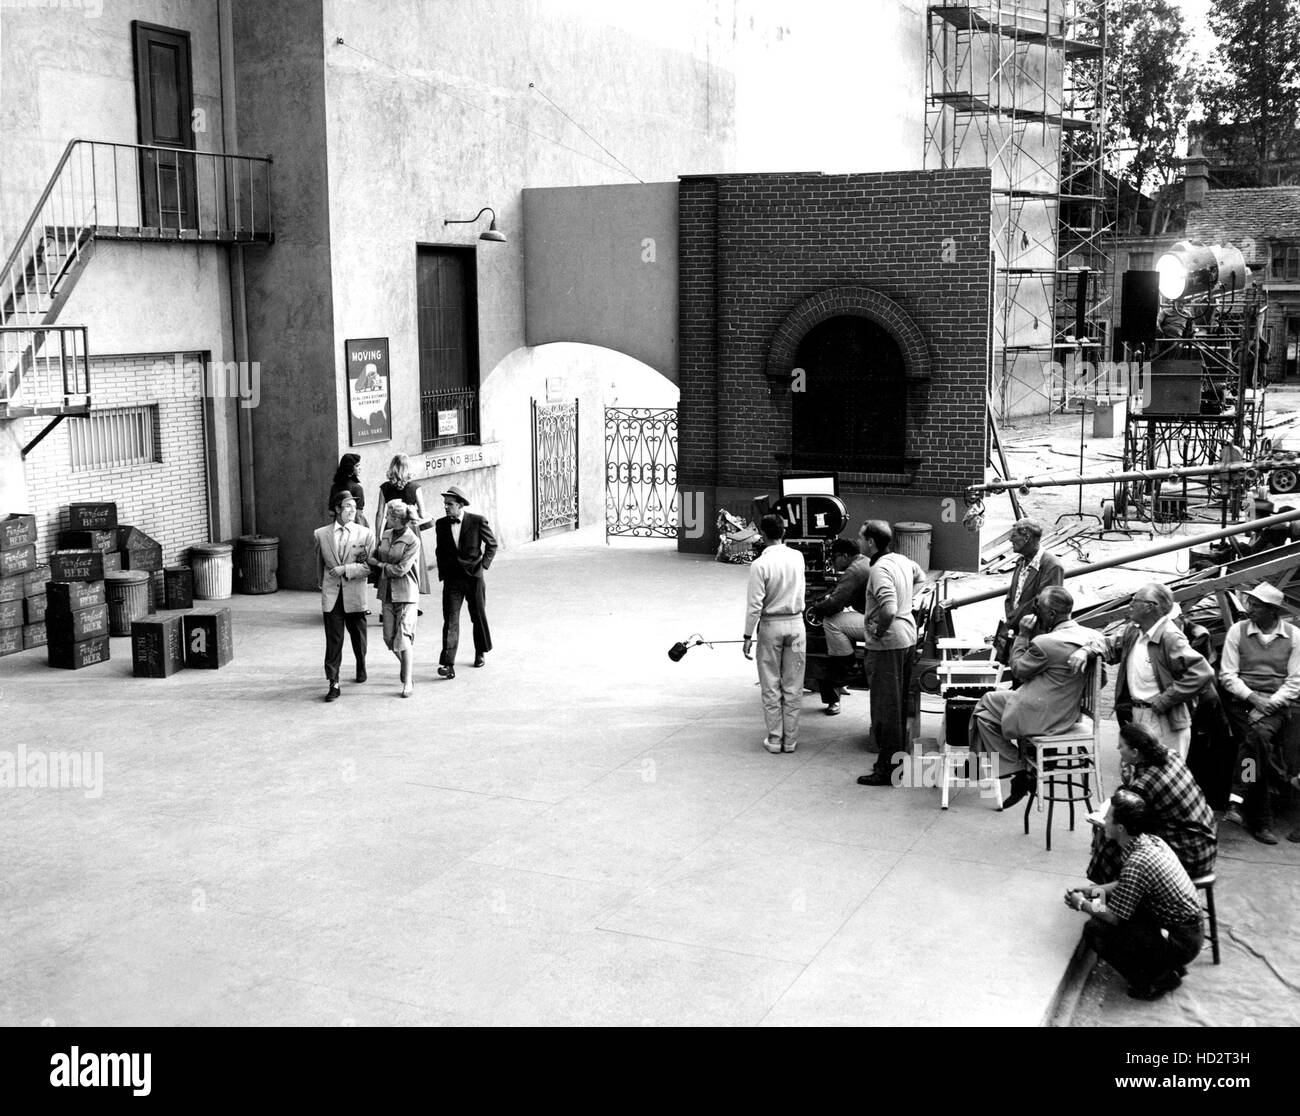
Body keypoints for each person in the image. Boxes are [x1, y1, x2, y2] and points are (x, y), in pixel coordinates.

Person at [1065, 788, 1204, 1001]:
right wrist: (1092, 891)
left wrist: (1081, 903)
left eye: (1108, 817)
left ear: (1120, 828)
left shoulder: (1136, 863)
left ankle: (1155, 980)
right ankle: (1164, 967)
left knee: (1095, 930)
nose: (1103, 820)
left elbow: (1114, 916)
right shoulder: (1148, 842)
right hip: (1186, 930)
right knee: (1109, 907)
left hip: (1182, 940)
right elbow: (1125, 884)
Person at [968, 585, 1093, 809]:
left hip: (1044, 714)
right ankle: (1007, 768)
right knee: (987, 709)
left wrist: (1024, 636)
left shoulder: (1046, 643)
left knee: (983, 708)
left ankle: (1015, 769)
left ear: (1052, 614)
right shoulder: (1090, 636)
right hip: (1068, 712)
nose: (1035, 612)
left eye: (1039, 608)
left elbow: (1017, 669)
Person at [1070, 582, 1213, 759]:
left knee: (1164, 777)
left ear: (1150, 607)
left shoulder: (1170, 637)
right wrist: (1086, 650)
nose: (1130, 605)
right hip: (1138, 714)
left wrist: (1165, 700)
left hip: (1164, 719)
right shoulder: (1134, 632)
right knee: (1140, 773)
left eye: (1135, 601)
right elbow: (1109, 644)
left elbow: (1202, 673)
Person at [1085, 722, 1217, 885]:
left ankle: (1106, 895)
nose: (1117, 749)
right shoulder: (1172, 755)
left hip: (1189, 857)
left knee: (1111, 838)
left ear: (1135, 752)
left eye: (1121, 746)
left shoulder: (1144, 785)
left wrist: (1104, 823)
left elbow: (1130, 825)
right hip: (1206, 843)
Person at [1219, 582, 1300, 845]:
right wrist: (1253, 698)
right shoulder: (1237, 631)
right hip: (1242, 702)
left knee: (1256, 741)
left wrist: (1269, 704)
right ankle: (1260, 820)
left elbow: (1295, 681)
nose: (1249, 609)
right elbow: (1228, 675)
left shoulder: (1294, 636)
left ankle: (1238, 800)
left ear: (1271, 611)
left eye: (1255, 605)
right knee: (1259, 743)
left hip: (1275, 704)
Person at [854, 520, 926, 787]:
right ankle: (896, 764)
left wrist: (879, 630)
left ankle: (887, 770)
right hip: (907, 637)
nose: (859, 542)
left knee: (885, 709)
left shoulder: (879, 570)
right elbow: (921, 577)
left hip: (888, 644)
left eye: (861, 538)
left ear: (871, 542)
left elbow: (888, 609)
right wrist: (908, 602)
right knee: (897, 707)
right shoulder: (901, 560)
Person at [743, 513, 806, 754]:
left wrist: (748, 636)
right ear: (783, 532)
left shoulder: (760, 565)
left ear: (763, 533)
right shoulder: (797, 557)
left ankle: (775, 737)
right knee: (794, 683)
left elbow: (754, 606)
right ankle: (790, 739)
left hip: (771, 626)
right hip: (797, 625)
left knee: (771, 683)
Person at [312, 490, 376, 701]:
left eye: (354, 507)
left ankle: (361, 664)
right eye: (348, 506)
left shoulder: (365, 534)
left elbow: (369, 567)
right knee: (333, 640)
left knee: (358, 636)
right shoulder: (321, 534)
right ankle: (334, 682)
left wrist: (345, 569)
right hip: (332, 596)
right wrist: (321, 583)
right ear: (337, 509)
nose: (352, 511)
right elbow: (319, 562)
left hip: (355, 594)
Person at [434, 484, 497, 678]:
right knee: (450, 620)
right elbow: (440, 550)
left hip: (473, 578)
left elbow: (492, 545)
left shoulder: (477, 521)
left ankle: (480, 652)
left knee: (477, 615)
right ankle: (448, 663)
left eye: (450, 504)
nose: (446, 507)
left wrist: (482, 566)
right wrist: (443, 571)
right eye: (445, 504)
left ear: (461, 505)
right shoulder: (441, 524)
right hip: (452, 580)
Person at [808, 537, 871, 715]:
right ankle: (841, 679)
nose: (832, 562)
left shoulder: (855, 571)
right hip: (876, 617)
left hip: (876, 622)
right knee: (841, 623)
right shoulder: (864, 562)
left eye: (834, 558)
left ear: (845, 555)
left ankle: (846, 669)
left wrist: (816, 608)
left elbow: (836, 604)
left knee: (831, 622)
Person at [369, 499, 422, 698]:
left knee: (404, 637)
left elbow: (401, 569)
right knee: (388, 638)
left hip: (407, 593)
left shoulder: (412, 541)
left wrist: (381, 566)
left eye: (389, 516)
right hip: (387, 593)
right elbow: (375, 555)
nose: (386, 518)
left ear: (398, 519)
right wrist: (373, 559)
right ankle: (405, 667)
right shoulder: (386, 534)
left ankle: (407, 681)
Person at [994, 518, 1064, 664]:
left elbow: (1044, 604)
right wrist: (1012, 621)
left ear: (1026, 538)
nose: (1009, 540)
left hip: (1035, 639)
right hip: (1018, 634)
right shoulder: (1021, 562)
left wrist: (1013, 621)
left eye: (1013, 536)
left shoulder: (1051, 566)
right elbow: (1011, 596)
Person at [378, 454, 433, 599]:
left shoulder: (385, 487)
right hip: (410, 528)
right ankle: (412, 600)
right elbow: (422, 513)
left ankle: (386, 601)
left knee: (389, 562)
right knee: (411, 564)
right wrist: (429, 517)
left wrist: (378, 535)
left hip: (389, 528)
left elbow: (379, 513)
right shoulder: (415, 487)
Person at [329, 453, 367, 526]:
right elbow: (358, 515)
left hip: (338, 526)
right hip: (353, 528)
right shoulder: (357, 488)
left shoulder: (334, 487)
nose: (360, 468)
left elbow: (331, 512)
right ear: (350, 468)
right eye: (357, 466)